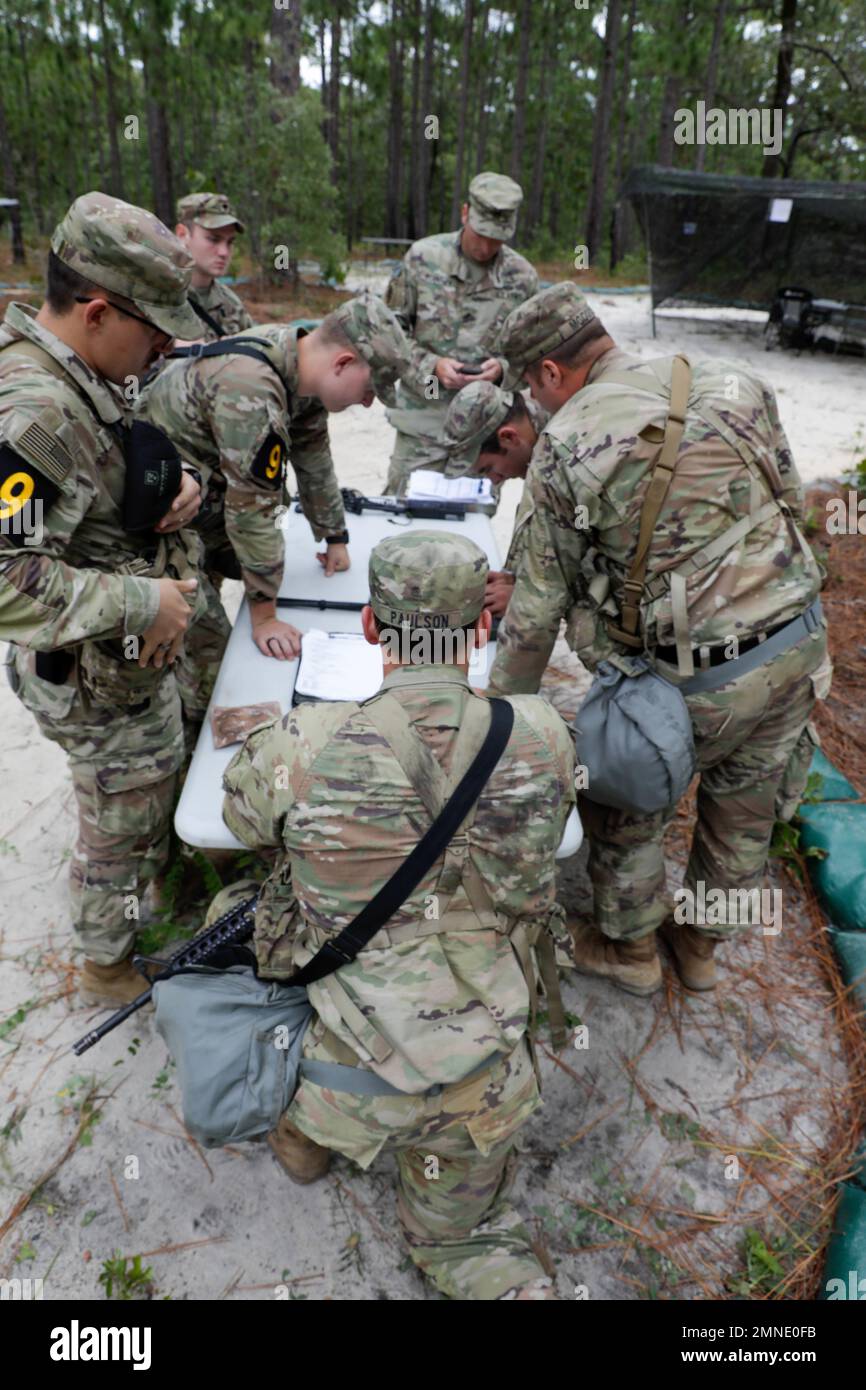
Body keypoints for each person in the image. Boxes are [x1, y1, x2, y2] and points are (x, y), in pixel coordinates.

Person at [213, 531, 575, 1300]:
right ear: (481, 627)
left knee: (238, 907)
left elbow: (241, 821)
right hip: (486, 1070)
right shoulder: (542, 732)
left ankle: (305, 1136)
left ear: (372, 625)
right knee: (472, 1246)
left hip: (344, 1075)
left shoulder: (305, 745)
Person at [486, 282, 832, 997]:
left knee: (620, 796)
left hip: (699, 677)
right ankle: (701, 950)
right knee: (745, 810)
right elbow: (793, 503)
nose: (536, 401)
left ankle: (631, 950)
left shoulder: (568, 443)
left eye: (531, 385)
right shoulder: (734, 381)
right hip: (798, 644)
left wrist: (501, 723)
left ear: (551, 373)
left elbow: (533, 613)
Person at [0, 191, 206, 1006]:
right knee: (117, 822)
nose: (161, 346)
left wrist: (168, 492)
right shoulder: (33, 415)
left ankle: (136, 903)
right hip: (90, 674)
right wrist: (137, 602)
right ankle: (108, 966)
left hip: (117, 669)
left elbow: (92, 485)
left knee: (142, 795)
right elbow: (7, 578)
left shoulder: (76, 375)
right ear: (95, 311)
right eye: (150, 328)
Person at [137, 294, 408, 740]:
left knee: (215, 628)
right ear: (342, 363)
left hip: (202, 507)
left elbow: (313, 455)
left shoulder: (297, 364)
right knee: (216, 655)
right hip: (160, 525)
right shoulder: (252, 386)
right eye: (368, 390)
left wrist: (333, 534)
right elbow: (253, 508)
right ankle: (192, 748)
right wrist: (265, 613)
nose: (366, 404)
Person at [383, 172, 538, 497]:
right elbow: (387, 337)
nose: (485, 247)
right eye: (480, 234)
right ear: (465, 213)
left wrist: (503, 370)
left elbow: (535, 356)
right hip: (423, 425)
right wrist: (432, 367)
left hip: (484, 440)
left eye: (496, 239)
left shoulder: (522, 278)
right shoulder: (422, 259)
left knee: (469, 529)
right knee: (402, 519)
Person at [444, 380, 547, 616]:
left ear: (509, 438)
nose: (493, 480)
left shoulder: (567, 458)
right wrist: (515, 578)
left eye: (488, 468)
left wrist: (527, 596)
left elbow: (593, 556)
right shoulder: (538, 444)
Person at [174, 192, 254, 341]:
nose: (224, 252)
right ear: (182, 235)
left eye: (229, 242)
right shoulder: (156, 298)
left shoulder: (231, 305)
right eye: (213, 239)